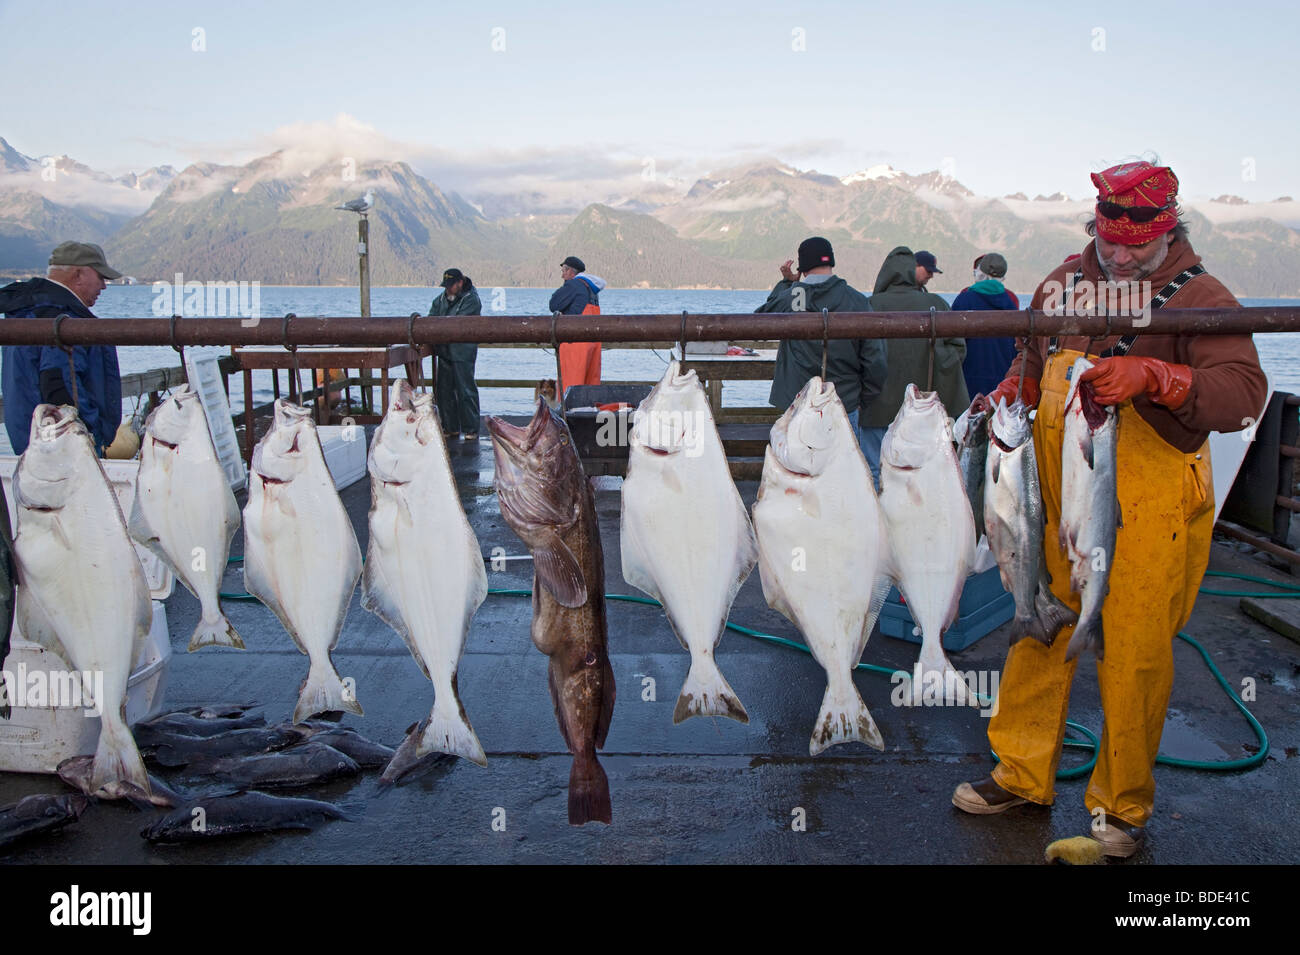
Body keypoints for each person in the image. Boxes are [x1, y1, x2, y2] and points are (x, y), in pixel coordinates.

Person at [951, 161, 1268, 859]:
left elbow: (1244, 391)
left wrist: (1157, 375)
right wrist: (1009, 388)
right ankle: (1021, 772)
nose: (1119, 254)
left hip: (1148, 504)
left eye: (1135, 246)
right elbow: (1033, 356)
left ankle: (1119, 811)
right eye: (1108, 239)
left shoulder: (1202, 295)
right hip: (1055, 490)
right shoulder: (1062, 282)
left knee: (1135, 653)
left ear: (1167, 230)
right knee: (1035, 628)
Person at [758, 236, 887, 451]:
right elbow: (876, 361)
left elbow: (760, 322)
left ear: (804, 268)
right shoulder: (857, 301)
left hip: (796, 405)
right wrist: (860, 399)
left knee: (796, 477)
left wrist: (788, 283)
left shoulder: (792, 297)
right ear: (831, 263)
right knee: (842, 475)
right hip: (844, 403)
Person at [0, 241, 123, 456]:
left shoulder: (24, 313)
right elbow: (62, 385)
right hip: (67, 448)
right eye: (100, 277)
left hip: (33, 444)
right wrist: (91, 434)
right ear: (78, 274)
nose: (103, 286)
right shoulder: (62, 320)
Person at [859, 246, 968, 486]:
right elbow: (957, 350)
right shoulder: (936, 303)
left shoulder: (868, 304)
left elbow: (854, 355)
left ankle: (876, 521)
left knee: (875, 473)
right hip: (922, 411)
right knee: (922, 476)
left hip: (875, 408)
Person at [952, 252, 1020, 398]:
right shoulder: (1011, 302)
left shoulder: (964, 299)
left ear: (979, 272)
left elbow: (952, 342)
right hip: (1002, 380)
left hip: (969, 379)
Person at [428, 268, 482, 440]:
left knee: (465, 390)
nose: (448, 289)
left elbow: (457, 323)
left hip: (463, 352)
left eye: (451, 285)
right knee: (443, 391)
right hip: (444, 351)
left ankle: (471, 428)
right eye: (446, 286)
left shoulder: (472, 300)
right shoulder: (440, 300)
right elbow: (431, 318)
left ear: (460, 283)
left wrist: (438, 327)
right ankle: (450, 427)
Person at [547, 255, 606, 392]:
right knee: (590, 385)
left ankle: (567, 413)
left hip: (575, 342)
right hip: (593, 343)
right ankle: (588, 412)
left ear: (570, 271)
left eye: (563, 271)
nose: (562, 276)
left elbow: (553, 304)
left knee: (570, 386)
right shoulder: (592, 289)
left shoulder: (573, 285)